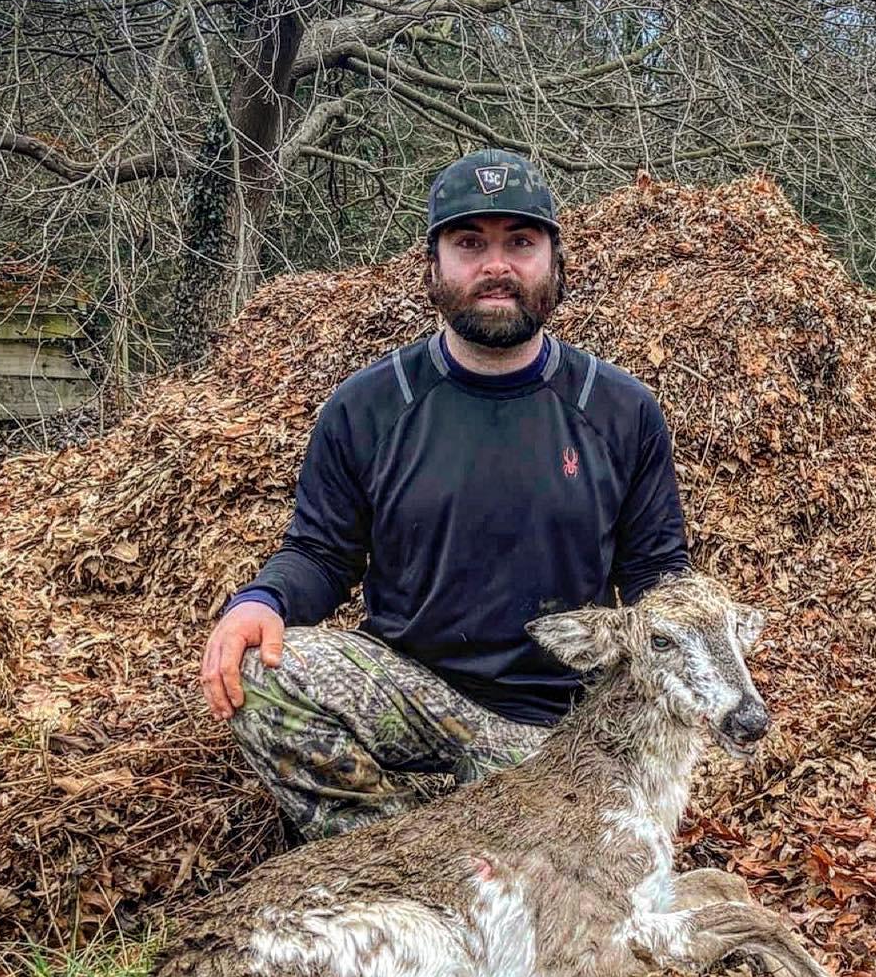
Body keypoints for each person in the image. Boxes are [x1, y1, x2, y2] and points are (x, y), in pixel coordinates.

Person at [200, 148, 690, 838]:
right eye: (470, 244)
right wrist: (262, 600)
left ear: (555, 262)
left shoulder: (619, 409)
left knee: (568, 875)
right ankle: (392, 858)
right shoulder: (368, 406)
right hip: (407, 689)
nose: (497, 265)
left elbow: (656, 579)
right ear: (433, 268)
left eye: (520, 242)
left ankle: (479, 848)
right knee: (264, 670)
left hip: (561, 722)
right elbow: (320, 551)